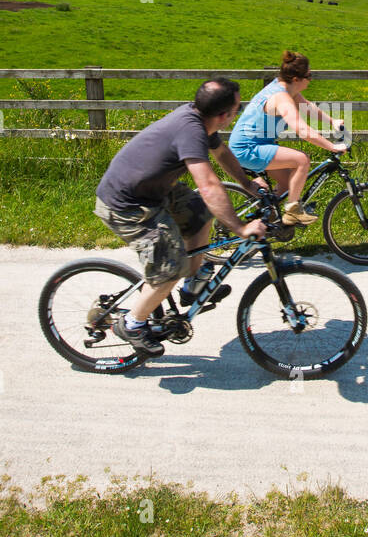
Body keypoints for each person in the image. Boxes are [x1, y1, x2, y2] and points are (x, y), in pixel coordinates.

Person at [94, 78, 268, 357]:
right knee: (170, 267)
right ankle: (132, 323)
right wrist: (240, 227)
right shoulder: (190, 131)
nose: (239, 109)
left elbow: (221, 153)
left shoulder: (201, 120)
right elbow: (209, 185)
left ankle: (193, 283)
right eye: (238, 106)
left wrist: (248, 184)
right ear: (225, 115)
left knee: (199, 213)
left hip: (154, 192)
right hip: (126, 204)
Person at [228, 51, 347, 225]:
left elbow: (308, 108)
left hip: (256, 144)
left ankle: (266, 220)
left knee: (287, 183)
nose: (311, 80)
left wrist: (333, 121)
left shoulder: (284, 87)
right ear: (296, 79)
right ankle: (292, 210)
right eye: (309, 76)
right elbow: (301, 129)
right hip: (248, 148)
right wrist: (331, 146)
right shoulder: (281, 98)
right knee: (301, 160)